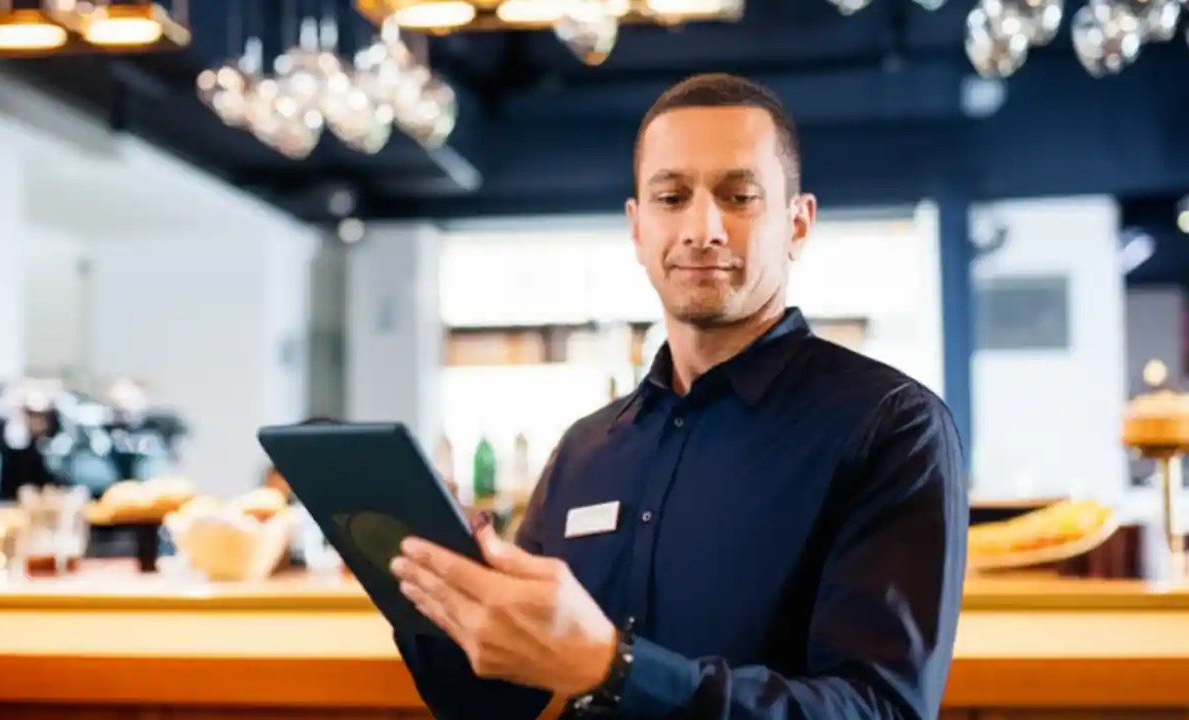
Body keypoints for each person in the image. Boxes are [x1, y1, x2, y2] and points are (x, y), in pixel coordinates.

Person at [389, 72, 968, 719]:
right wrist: (422, 582)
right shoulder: (586, 449)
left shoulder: (890, 428)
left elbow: (880, 708)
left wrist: (614, 668)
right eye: (671, 197)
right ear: (638, 228)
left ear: (798, 225)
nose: (702, 228)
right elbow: (500, 702)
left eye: (739, 196)